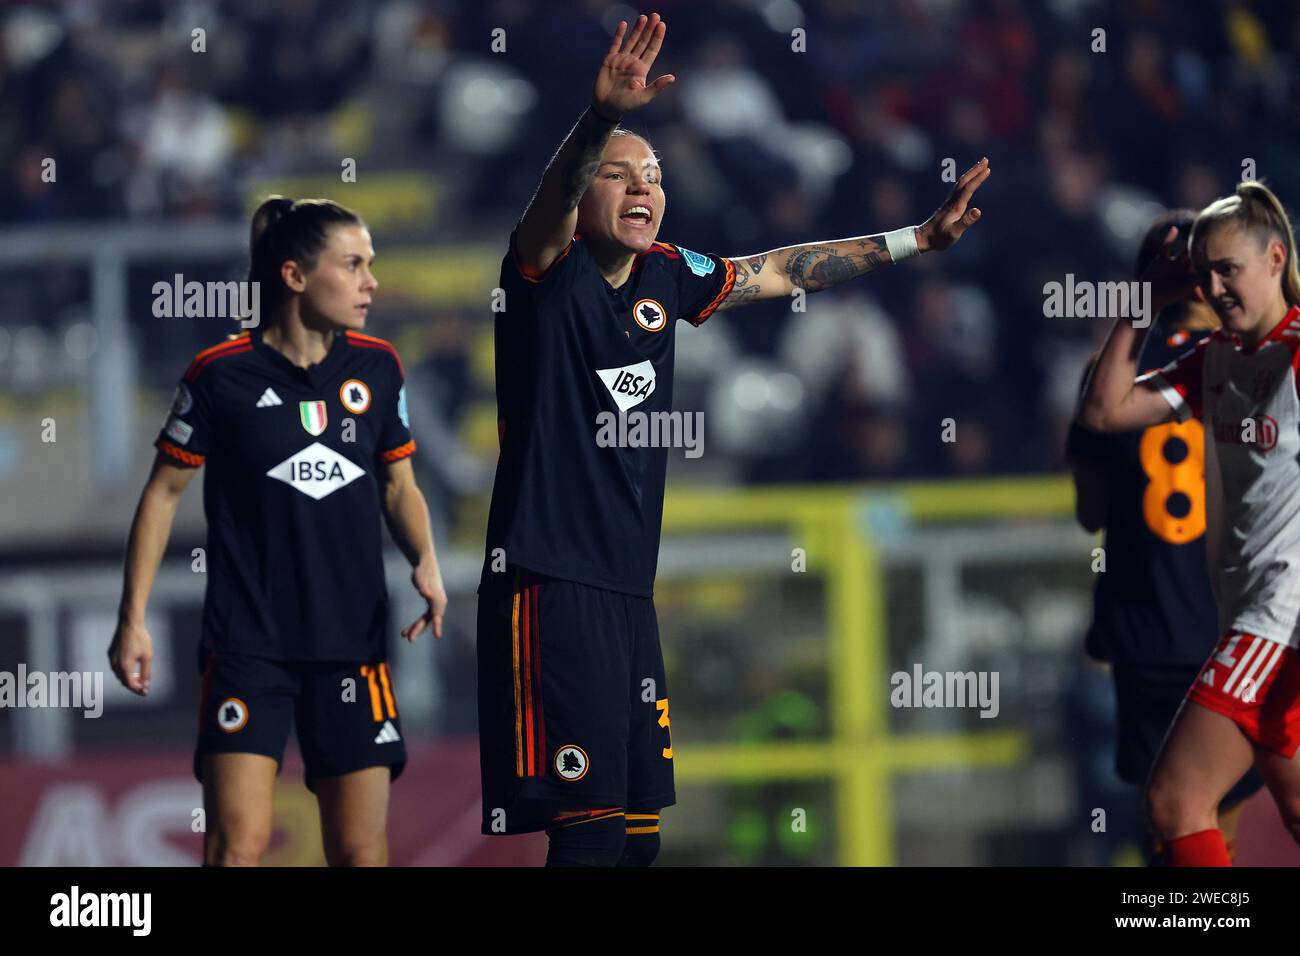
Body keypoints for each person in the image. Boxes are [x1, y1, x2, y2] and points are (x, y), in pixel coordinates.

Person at [477, 11, 990, 866]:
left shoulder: (668, 274)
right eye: (620, 175)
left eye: (656, 174)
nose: (644, 188)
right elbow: (548, 207)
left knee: (637, 844)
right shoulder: (542, 272)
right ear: (581, 193)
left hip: (628, 594)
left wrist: (917, 241)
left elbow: (783, 269)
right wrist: (600, 117)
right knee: (591, 842)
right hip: (552, 587)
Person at [109, 197, 447, 866]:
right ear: (295, 275)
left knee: (360, 851)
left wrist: (426, 561)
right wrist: (133, 619)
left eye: (370, 265)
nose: (370, 283)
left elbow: (398, 484)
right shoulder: (220, 374)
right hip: (248, 647)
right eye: (352, 265)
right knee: (237, 848)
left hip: (353, 643)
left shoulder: (379, 366)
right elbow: (162, 494)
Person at [1079, 181, 1300, 866]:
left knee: (1175, 803)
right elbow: (1105, 411)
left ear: (1274, 258)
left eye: (1227, 268)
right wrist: (1144, 297)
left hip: (1278, 618)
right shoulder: (1218, 360)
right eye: (1203, 273)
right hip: (1239, 618)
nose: (1214, 287)